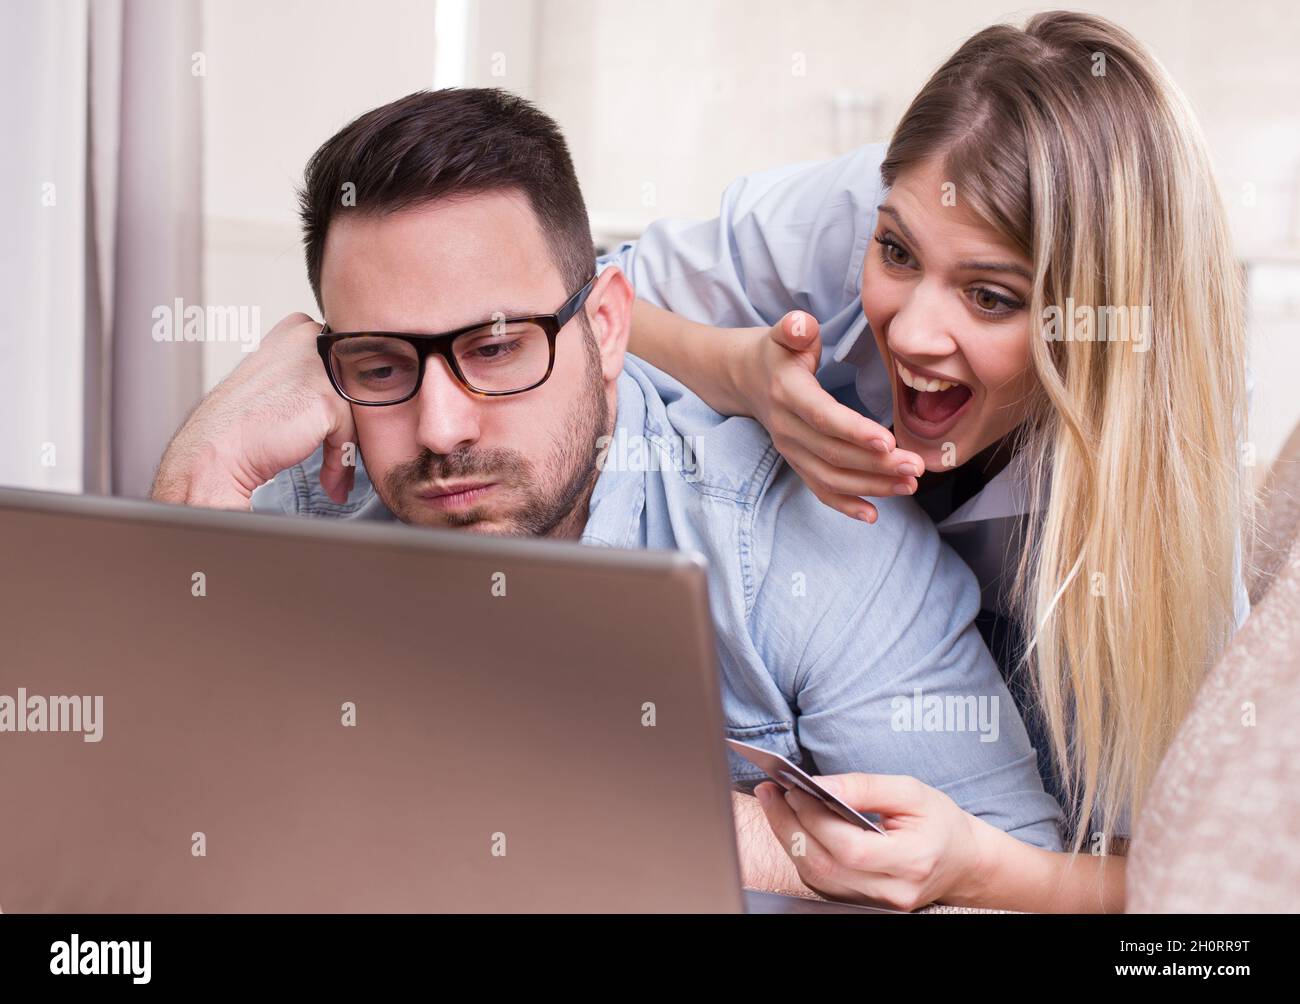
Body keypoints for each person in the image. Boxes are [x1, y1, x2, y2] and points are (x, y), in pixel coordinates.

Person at [149, 87, 1063, 903]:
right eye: (382, 362)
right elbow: (145, 822)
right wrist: (201, 468)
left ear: (608, 325)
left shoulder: (811, 545)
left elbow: (1003, 893)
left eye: (497, 348)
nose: (440, 429)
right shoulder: (301, 499)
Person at [602, 11, 1251, 910]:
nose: (910, 331)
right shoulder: (844, 215)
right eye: (898, 253)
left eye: (990, 297)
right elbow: (590, 305)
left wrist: (979, 867)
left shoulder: (1164, 515)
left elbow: (1195, 902)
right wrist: (740, 372)